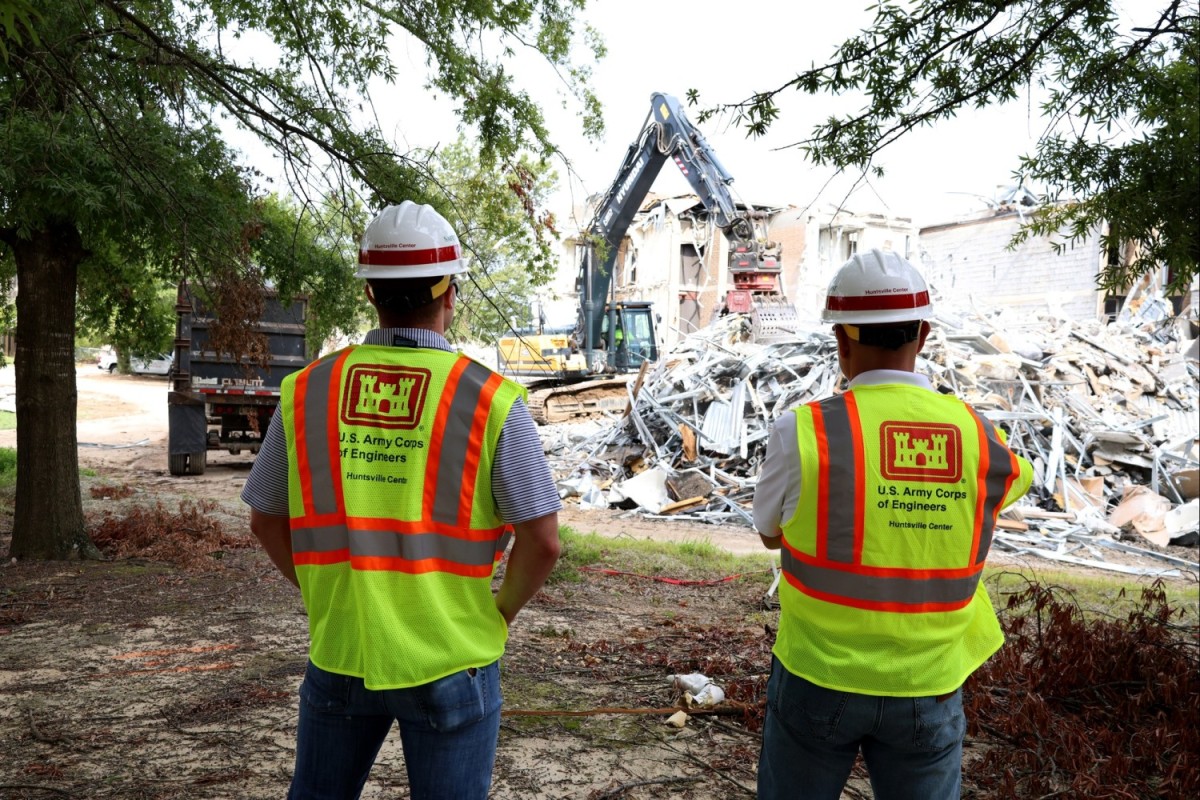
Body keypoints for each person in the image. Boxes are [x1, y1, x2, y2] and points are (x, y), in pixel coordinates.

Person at [241, 200, 562, 800]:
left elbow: (265, 520)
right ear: (450, 292)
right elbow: (542, 542)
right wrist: (497, 616)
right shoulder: (491, 399)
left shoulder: (306, 391)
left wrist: (326, 597)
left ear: (369, 294)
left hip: (342, 647)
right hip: (451, 656)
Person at [753, 249, 1033, 800]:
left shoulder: (804, 432)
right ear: (923, 335)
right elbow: (1013, 481)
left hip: (817, 675)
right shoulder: (980, 437)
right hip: (928, 683)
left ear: (841, 340)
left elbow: (769, 533)